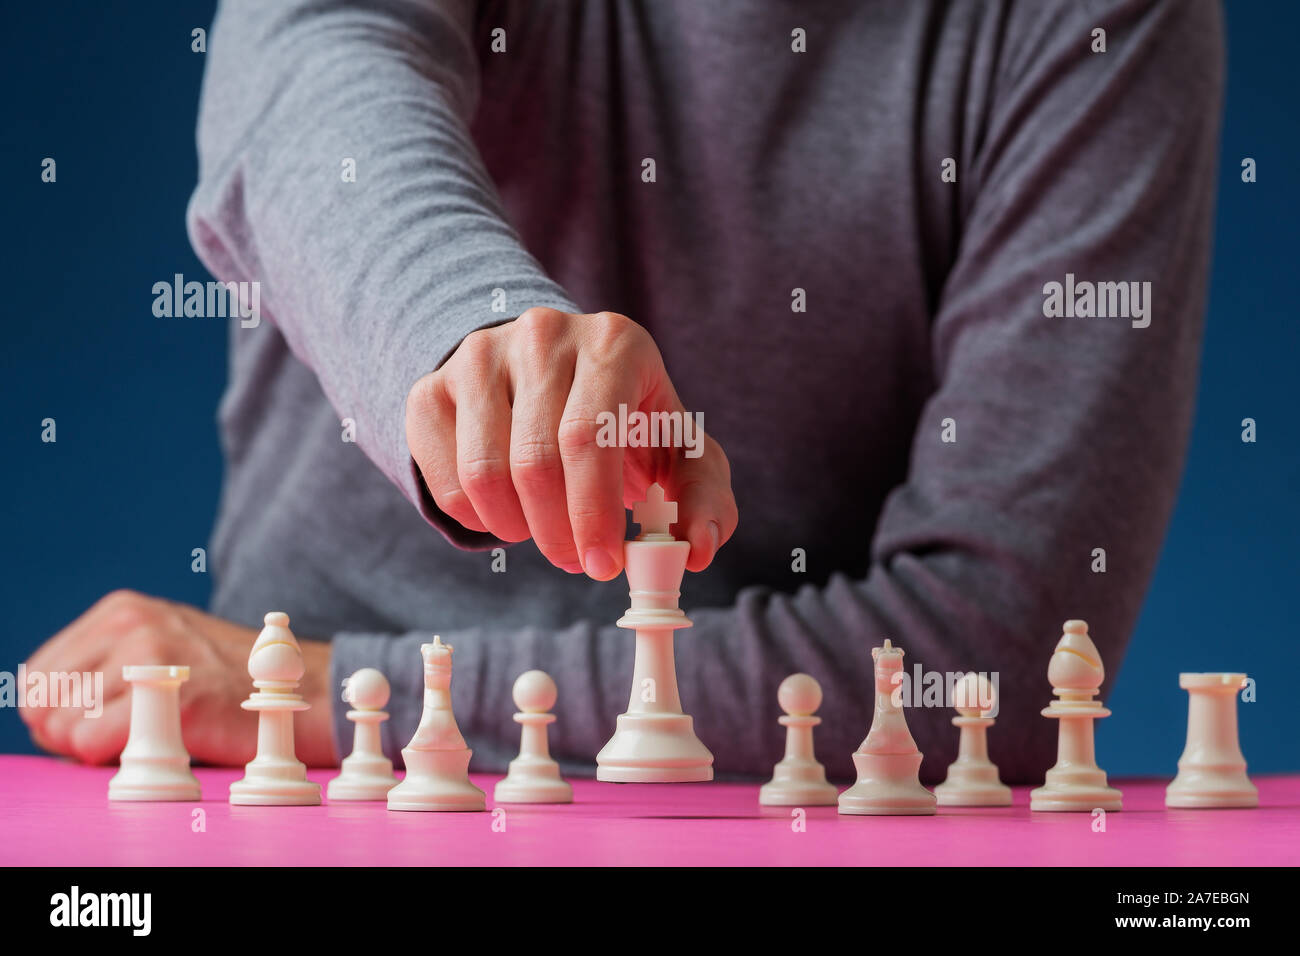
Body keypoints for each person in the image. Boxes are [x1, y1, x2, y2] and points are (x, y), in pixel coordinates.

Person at [21, 0, 1223, 782]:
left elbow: (991, 663)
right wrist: (464, 322)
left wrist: (314, 695)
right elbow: (308, 76)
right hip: (291, 797)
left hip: (755, 820)